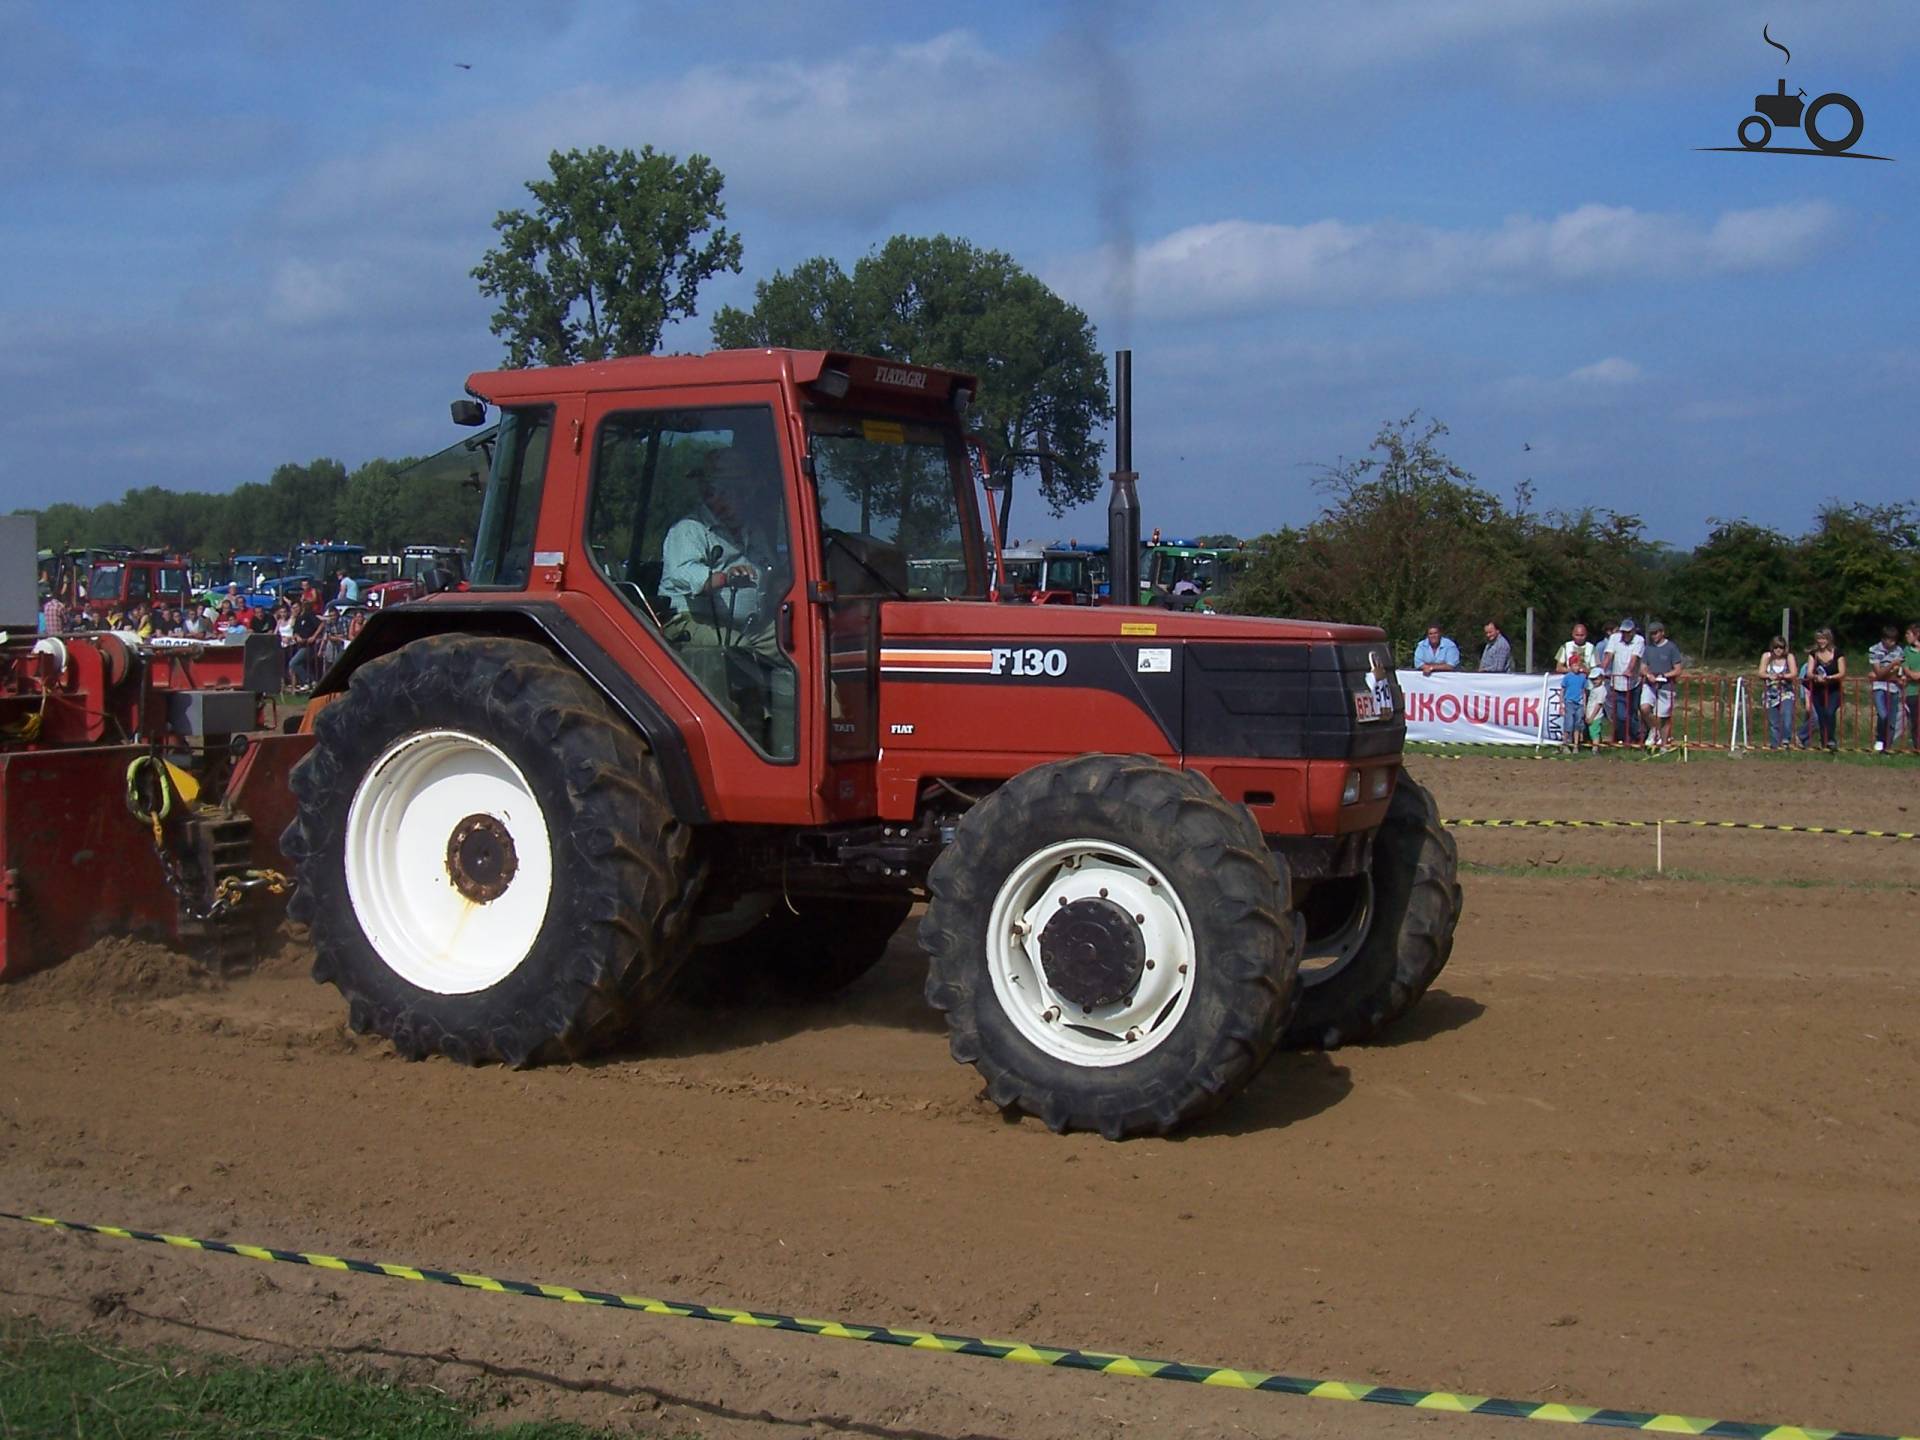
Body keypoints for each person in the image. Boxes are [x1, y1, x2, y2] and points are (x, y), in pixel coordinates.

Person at [659, 447, 795, 756]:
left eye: (745, 491)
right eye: (734, 491)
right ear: (711, 492)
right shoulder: (689, 531)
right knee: (738, 655)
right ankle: (751, 739)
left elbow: (770, 571)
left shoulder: (752, 532)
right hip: (693, 621)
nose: (742, 499)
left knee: (800, 652)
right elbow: (689, 576)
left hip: (753, 625)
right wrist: (724, 576)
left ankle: (795, 738)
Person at [1637, 618, 1685, 750]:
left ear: (1662, 632)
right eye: (1651, 634)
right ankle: (1654, 729)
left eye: (1656, 633)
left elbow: (1678, 669)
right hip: (1650, 684)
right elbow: (1643, 667)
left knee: (1663, 716)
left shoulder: (1671, 648)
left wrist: (1664, 675)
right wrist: (1648, 675)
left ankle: (1664, 745)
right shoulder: (1648, 648)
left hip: (1666, 686)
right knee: (1644, 708)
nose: (1653, 636)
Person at [1596, 616, 1644, 745]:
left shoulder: (1639, 640)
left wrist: (1629, 670)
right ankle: (1625, 736)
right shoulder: (1614, 638)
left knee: (1633, 713)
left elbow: (1635, 658)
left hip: (1633, 683)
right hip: (1617, 684)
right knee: (1621, 715)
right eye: (1623, 632)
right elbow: (1609, 655)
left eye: (1628, 632)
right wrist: (1601, 670)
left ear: (1633, 631)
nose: (1625, 634)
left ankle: (1637, 737)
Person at [1804, 628, 1845, 751]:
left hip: (1834, 689)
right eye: (1819, 638)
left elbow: (1842, 673)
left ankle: (1831, 739)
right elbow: (1809, 672)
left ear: (1829, 639)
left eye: (1824, 638)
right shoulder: (1813, 654)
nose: (1821, 641)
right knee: (1821, 717)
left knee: (1829, 712)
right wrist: (1816, 677)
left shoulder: (1838, 653)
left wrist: (1829, 678)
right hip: (1818, 690)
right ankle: (1824, 742)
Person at [1867, 623, 1905, 753]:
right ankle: (1880, 739)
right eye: (1889, 640)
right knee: (1882, 715)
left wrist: (1888, 672)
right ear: (1883, 639)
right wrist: (1892, 665)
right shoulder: (1874, 649)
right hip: (1879, 687)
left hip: (1894, 688)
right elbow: (1879, 673)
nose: (1892, 643)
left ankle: (1887, 747)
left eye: (1894, 640)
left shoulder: (1899, 650)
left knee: (1892, 720)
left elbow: (1898, 672)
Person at [1757, 636, 1797, 750]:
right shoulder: (1767, 656)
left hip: (1786, 691)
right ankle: (1775, 745)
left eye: (1781, 647)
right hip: (1770, 693)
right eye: (1776, 647)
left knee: (1787, 715)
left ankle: (1785, 740)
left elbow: (1794, 673)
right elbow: (1761, 672)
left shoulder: (1789, 657)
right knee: (1774, 722)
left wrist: (1783, 676)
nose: (1778, 650)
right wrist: (1769, 675)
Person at [287, 600, 326, 689]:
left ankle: (307, 681)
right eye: (293, 608)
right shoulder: (298, 618)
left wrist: (314, 636)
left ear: (301, 607)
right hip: (301, 645)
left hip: (309, 646)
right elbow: (295, 632)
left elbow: (321, 624)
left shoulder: (308, 615)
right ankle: (312, 681)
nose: (295, 610)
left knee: (293, 663)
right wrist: (297, 637)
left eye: (296, 607)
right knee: (300, 664)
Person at [1560, 649, 1590, 751]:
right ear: (1571, 666)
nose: (1577, 668)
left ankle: (1576, 745)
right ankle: (1565, 744)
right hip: (1569, 702)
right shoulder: (1567, 677)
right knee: (1568, 723)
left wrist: (1584, 706)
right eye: (1575, 665)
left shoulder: (1582, 677)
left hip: (1579, 704)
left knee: (1578, 724)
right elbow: (1562, 691)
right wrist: (1561, 705)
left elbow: (1583, 692)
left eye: (1578, 665)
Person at [1904, 621, 1920, 754]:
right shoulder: (1906, 651)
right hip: (1912, 691)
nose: (1906, 636)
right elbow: (1906, 670)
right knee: (1915, 721)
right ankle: (1917, 747)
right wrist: (1913, 675)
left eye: (1908, 633)